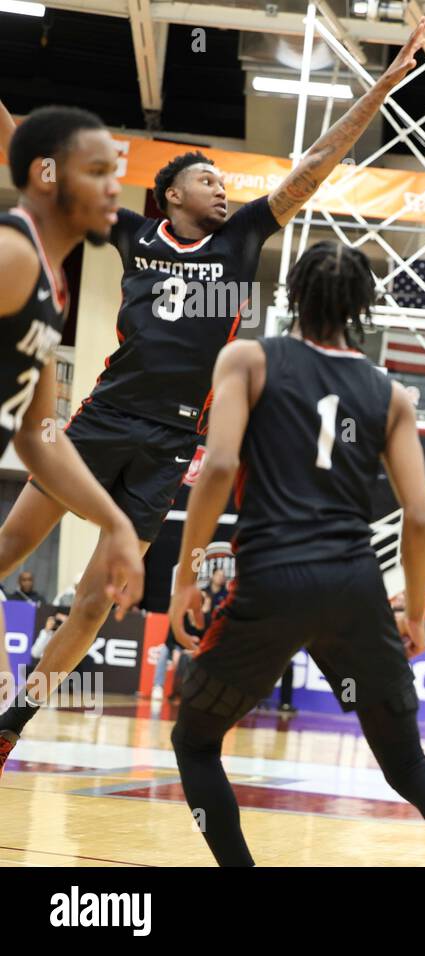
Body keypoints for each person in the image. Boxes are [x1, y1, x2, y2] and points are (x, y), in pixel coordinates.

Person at [0, 22, 425, 753]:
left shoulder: (242, 239)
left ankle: (12, 725)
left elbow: (318, 164)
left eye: (225, 183)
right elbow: (32, 159)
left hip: (171, 442)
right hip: (104, 418)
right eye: (208, 180)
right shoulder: (130, 232)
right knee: (9, 547)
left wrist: (380, 90)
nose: (223, 190)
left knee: (98, 601)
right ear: (170, 193)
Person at [164, 240, 425, 867]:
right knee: (408, 765)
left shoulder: (247, 359)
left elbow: (219, 467)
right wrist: (417, 614)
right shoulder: (391, 394)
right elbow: (420, 518)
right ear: (361, 308)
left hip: (272, 577)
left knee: (197, 743)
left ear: (294, 293)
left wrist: (187, 574)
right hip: (354, 584)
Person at [0, 106, 149, 770]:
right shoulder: (11, 254)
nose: (115, 186)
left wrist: (114, 521)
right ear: (48, 176)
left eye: (115, 172)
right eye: (97, 172)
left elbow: (37, 436)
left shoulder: (52, 288)